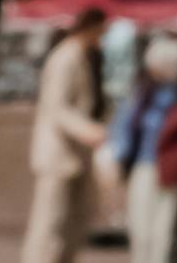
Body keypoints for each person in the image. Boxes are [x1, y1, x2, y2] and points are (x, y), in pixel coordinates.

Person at [23, 16, 113, 263]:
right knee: (49, 222)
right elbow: (56, 106)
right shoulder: (65, 58)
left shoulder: (86, 56)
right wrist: (88, 130)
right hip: (58, 153)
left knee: (76, 220)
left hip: (79, 154)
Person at [115, 43, 177, 263]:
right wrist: (120, 158)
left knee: (163, 229)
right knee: (139, 228)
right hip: (143, 165)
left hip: (173, 167)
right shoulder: (142, 92)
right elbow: (125, 126)